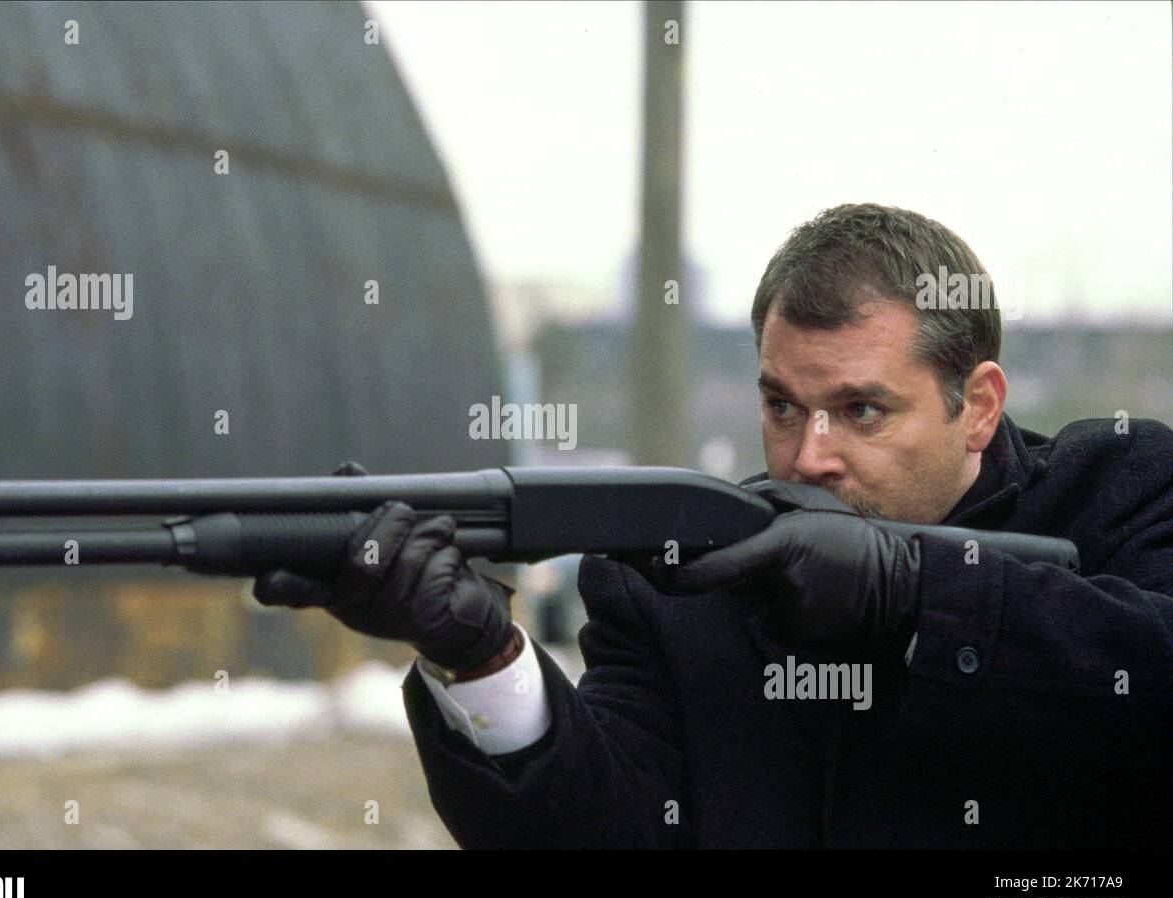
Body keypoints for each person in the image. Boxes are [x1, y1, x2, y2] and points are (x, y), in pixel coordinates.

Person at [254, 204, 1173, 848]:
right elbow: (599, 834)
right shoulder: (685, 583)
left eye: (862, 411)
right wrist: (483, 657)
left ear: (977, 406)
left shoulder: (1118, 493)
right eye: (783, 405)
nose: (810, 456)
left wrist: (917, 596)